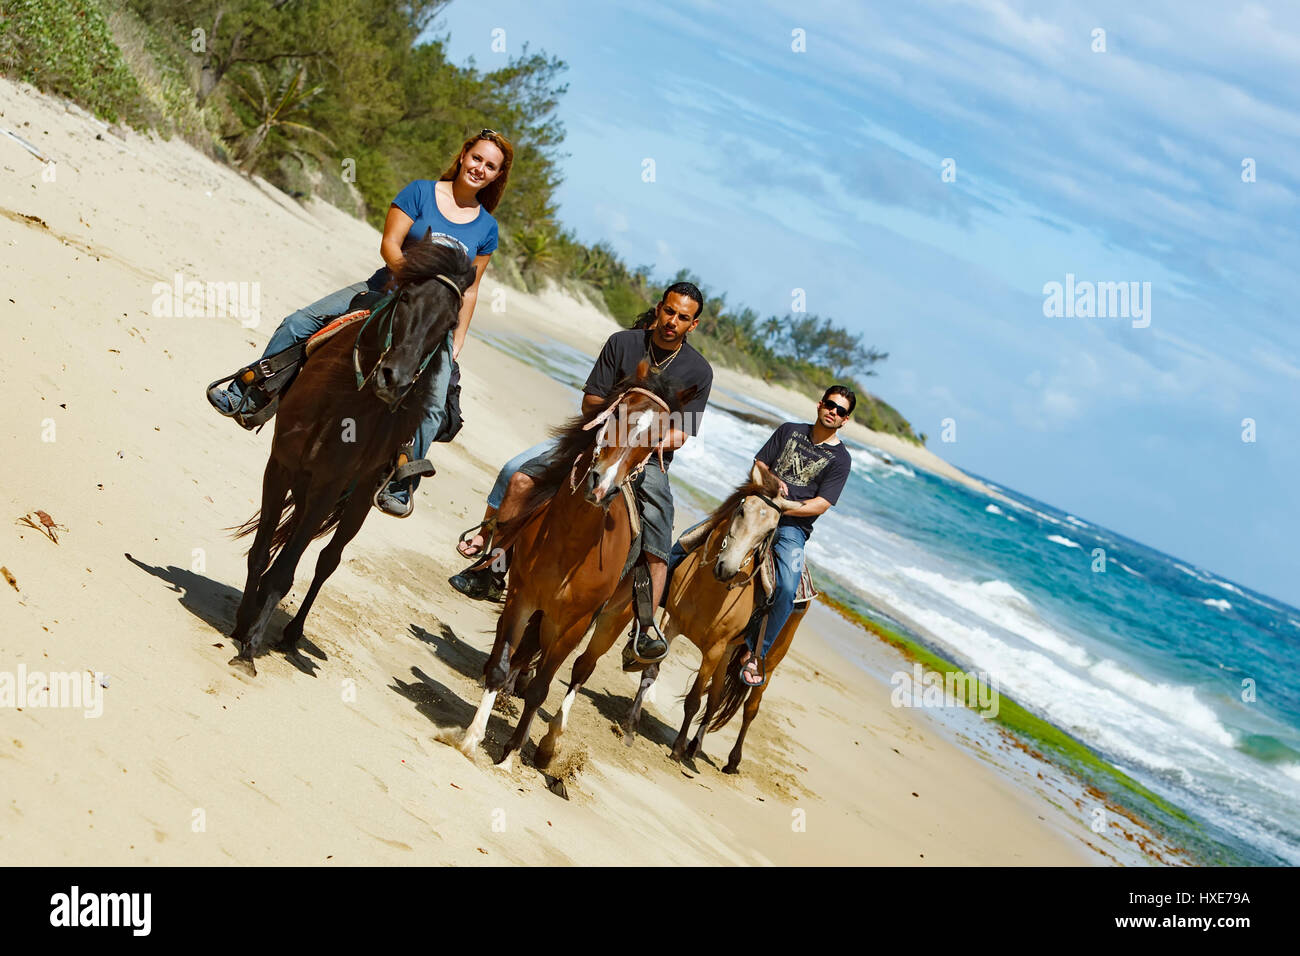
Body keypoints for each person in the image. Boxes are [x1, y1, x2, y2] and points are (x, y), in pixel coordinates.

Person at [207, 129, 513, 516]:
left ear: (496, 175)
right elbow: (390, 244)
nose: (480, 168)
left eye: (490, 166)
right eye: (477, 158)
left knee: (435, 402)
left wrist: (458, 339)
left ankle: (402, 480)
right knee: (299, 323)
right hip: (384, 290)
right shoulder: (420, 192)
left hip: (430, 323)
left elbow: (469, 290)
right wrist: (409, 284)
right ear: (464, 154)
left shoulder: (486, 228)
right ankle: (250, 390)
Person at [451, 283, 714, 652]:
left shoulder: (699, 370)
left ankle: (645, 628)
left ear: (694, 324)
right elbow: (591, 399)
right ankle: (491, 568)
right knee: (519, 474)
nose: (673, 321)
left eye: (682, 318)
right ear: (659, 308)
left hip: (646, 457)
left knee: (659, 536)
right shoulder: (623, 343)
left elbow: (680, 435)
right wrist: (618, 429)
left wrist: (639, 440)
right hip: (598, 439)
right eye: (669, 311)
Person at [667, 385, 855, 686]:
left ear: (846, 420)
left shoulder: (840, 459)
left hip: (791, 527)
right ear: (820, 405)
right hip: (757, 510)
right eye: (830, 405)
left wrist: (788, 506)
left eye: (841, 410)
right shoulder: (789, 430)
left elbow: (823, 503)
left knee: (788, 584)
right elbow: (760, 465)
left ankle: (755, 653)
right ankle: (657, 595)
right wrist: (771, 484)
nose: (833, 412)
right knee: (692, 537)